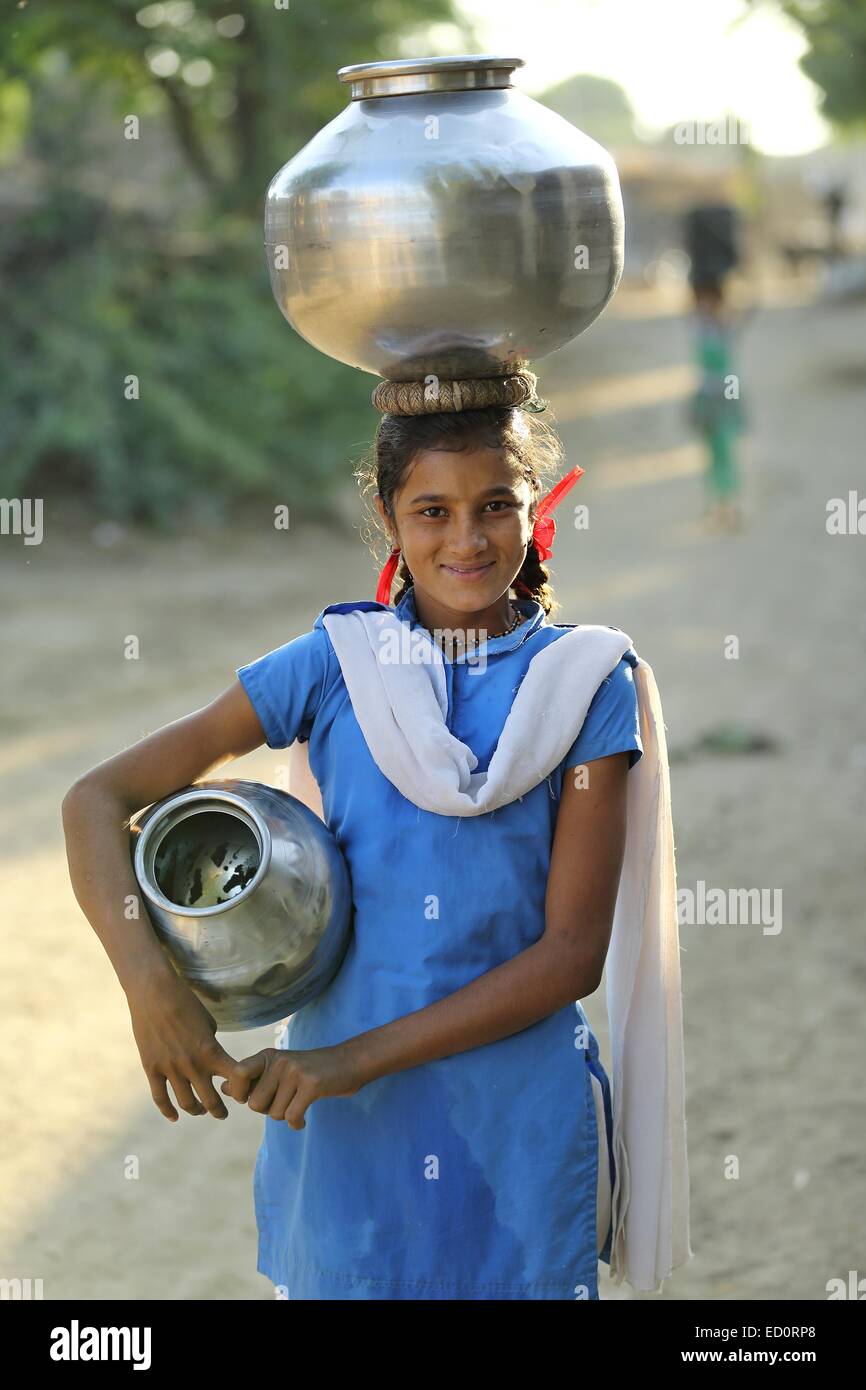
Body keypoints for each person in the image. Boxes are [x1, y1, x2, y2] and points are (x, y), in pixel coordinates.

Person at [62, 370, 689, 1300]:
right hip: (345, 1134)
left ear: (537, 511)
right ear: (389, 520)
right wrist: (150, 985)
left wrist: (349, 1062)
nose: (467, 539)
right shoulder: (334, 663)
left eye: (495, 506)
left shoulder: (584, 684)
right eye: (432, 511)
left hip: (510, 1123)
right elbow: (96, 800)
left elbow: (568, 958)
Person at [688, 276, 747, 533]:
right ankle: (717, 506)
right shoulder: (702, 328)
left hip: (723, 398)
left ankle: (729, 507)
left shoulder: (723, 328)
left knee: (724, 452)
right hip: (708, 399)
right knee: (712, 454)